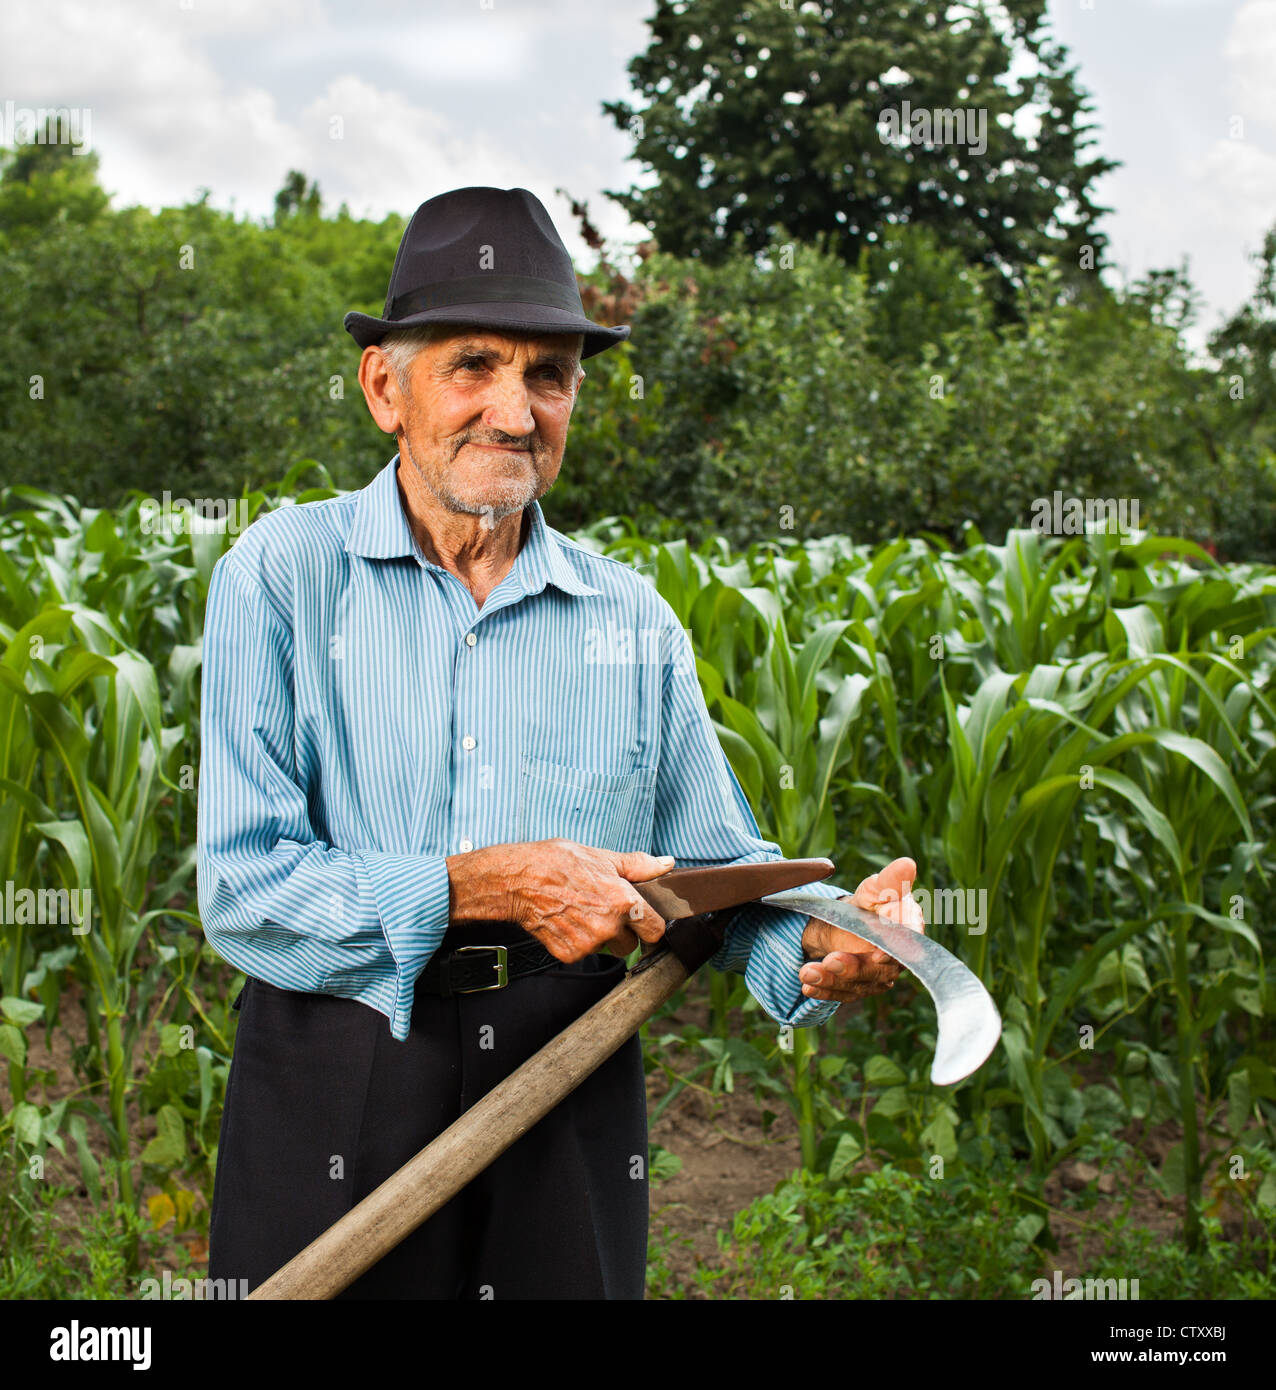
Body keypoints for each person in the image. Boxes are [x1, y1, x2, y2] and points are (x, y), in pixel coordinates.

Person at [197, 186, 925, 1301]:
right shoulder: (283, 577)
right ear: (385, 387)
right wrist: (477, 886)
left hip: (568, 1055)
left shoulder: (627, 617)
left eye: (549, 375)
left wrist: (828, 950)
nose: (514, 408)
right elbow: (245, 889)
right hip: (337, 1058)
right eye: (473, 366)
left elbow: (717, 883)